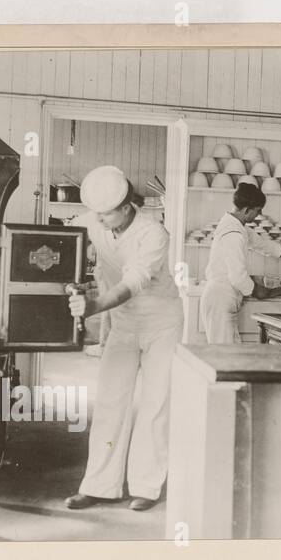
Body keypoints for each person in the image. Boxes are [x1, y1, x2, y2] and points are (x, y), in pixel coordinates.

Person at [62, 165, 184, 512]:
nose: (98, 220)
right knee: (110, 401)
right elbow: (67, 248)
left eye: (106, 214)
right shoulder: (93, 221)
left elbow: (134, 282)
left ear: (128, 206)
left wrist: (94, 306)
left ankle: (147, 486)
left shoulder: (154, 233)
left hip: (162, 323)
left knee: (155, 403)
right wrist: (73, 284)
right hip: (123, 324)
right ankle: (99, 485)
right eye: (95, 214)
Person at [199, 181, 281, 345]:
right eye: (257, 210)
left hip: (223, 298)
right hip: (220, 299)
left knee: (230, 354)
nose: (259, 214)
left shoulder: (236, 225)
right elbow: (238, 278)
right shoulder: (233, 234)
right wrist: (266, 292)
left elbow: (265, 245)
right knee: (226, 356)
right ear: (246, 210)